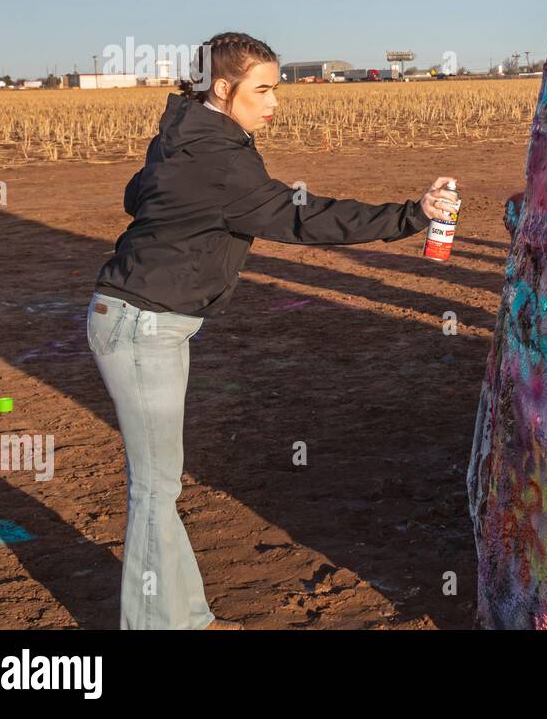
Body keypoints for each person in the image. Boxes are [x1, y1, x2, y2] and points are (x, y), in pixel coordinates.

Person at [86, 31, 459, 629]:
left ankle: (189, 620)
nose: (275, 101)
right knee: (153, 492)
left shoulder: (185, 131)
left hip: (147, 320)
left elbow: (137, 194)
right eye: (264, 89)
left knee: (161, 488)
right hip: (141, 326)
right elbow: (300, 217)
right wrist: (409, 216)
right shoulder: (221, 160)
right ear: (224, 88)